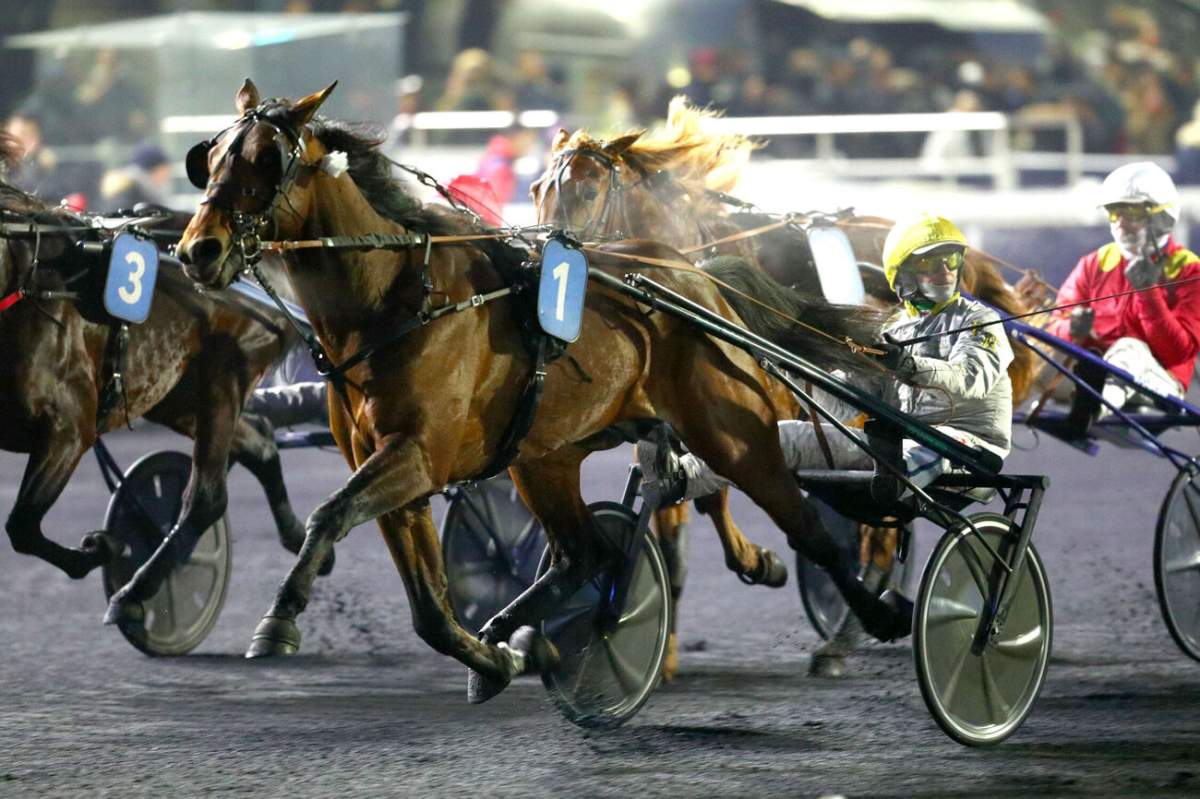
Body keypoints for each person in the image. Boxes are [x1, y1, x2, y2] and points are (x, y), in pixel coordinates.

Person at [639, 213, 1014, 674]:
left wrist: (909, 366)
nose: (944, 273)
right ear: (903, 277)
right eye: (931, 264)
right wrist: (799, 374)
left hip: (962, 447)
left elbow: (970, 379)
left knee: (902, 453)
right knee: (784, 438)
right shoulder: (892, 328)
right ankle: (683, 477)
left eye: (950, 262)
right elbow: (853, 396)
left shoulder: (979, 321)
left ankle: (890, 527)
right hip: (895, 445)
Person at [1043, 162, 1200, 429]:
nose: (1121, 224)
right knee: (1034, 354)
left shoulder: (1188, 270)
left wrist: (1148, 295)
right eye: (1114, 213)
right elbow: (1056, 322)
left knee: (1130, 349)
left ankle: (1094, 408)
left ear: (1162, 216)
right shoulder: (1095, 263)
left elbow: (1177, 353)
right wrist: (1072, 328)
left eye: (1132, 213)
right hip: (1097, 372)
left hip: (1159, 383)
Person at [98, 142, 172, 214]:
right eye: (164, 170)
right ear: (153, 170)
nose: (167, 176)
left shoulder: (141, 193)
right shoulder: (130, 198)